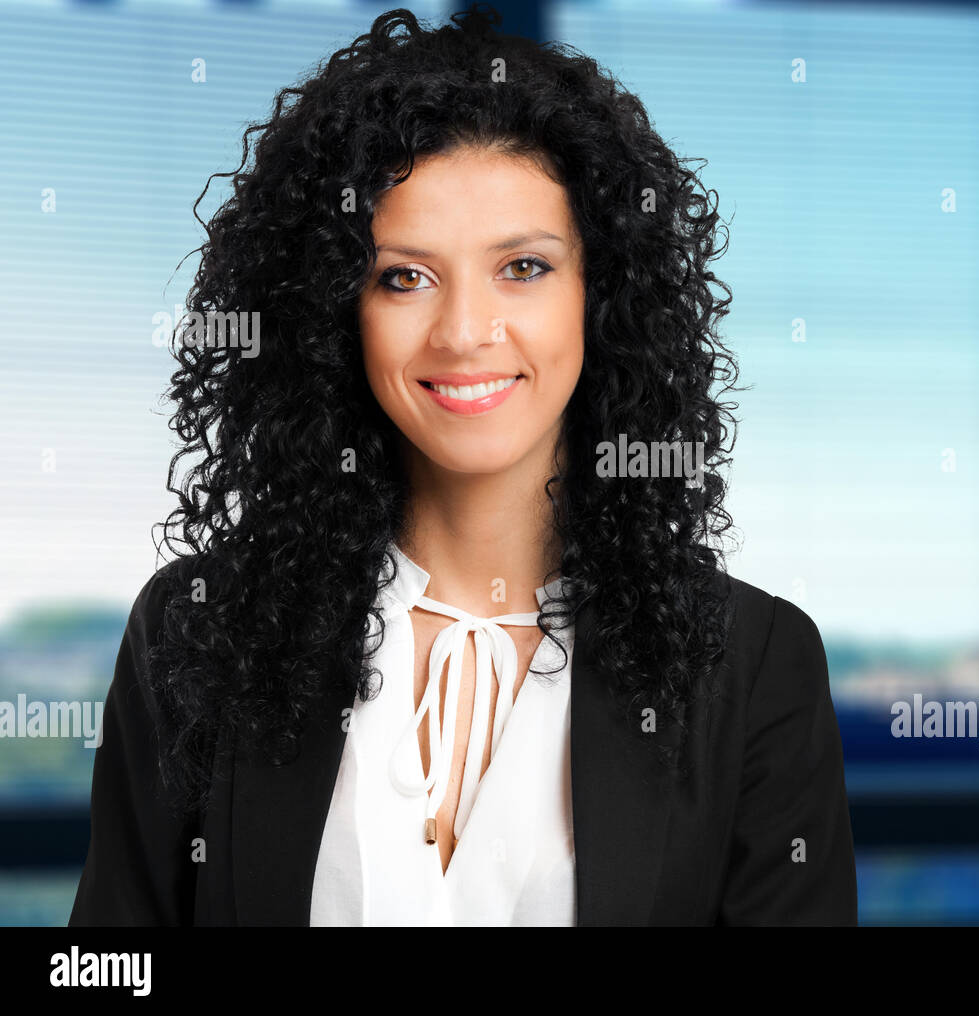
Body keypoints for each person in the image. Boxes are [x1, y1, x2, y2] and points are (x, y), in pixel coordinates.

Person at [68, 3, 856, 926]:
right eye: (404, 276)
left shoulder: (756, 666)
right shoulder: (195, 631)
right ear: (333, 310)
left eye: (523, 267)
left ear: (601, 296)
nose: (466, 333)